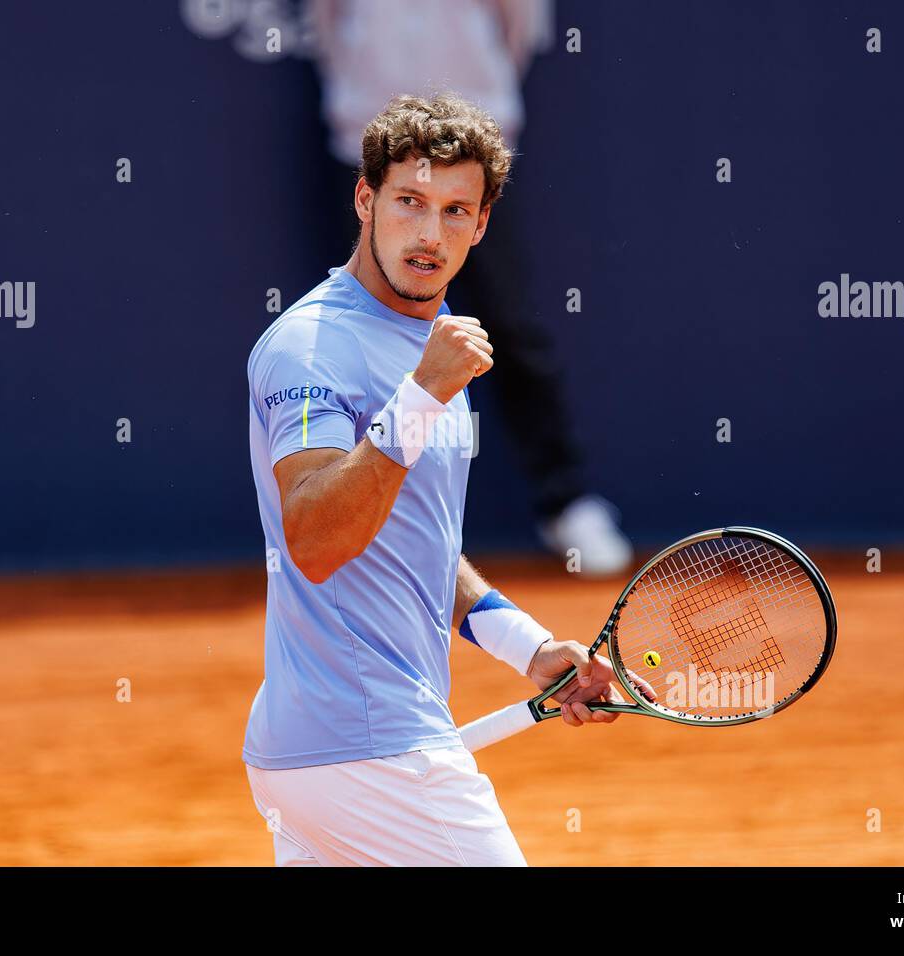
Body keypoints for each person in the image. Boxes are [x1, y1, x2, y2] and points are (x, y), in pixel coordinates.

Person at [243, 94, 633, 865]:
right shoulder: (312, 348)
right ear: (365, 200)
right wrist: (421, 395)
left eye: (457, 211)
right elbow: (317, 538)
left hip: (332, 754)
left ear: (482, 225)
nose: (430, 234)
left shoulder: (433, 347)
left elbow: (408, 543)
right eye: (410, 202)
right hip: (371, 752)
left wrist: (529, 648)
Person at [308, 0, 633, 574]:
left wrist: (470, 134)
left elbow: (519, 26)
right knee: (361, 336)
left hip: (472, 158)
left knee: (507, 326)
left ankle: (566, 503)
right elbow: (329, 25)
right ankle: (363, 513)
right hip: (367, 144)